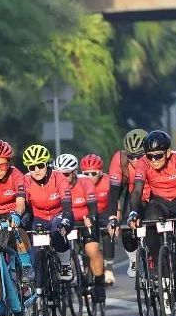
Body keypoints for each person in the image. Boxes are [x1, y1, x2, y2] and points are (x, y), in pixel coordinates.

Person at [127, 130, 176, 315]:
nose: (154, 160)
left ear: (168, 152)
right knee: (150, 216)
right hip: (159, 203)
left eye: (158, 156)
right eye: (150, 156)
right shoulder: (144, 163)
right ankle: (162, 267)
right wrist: (134, 212)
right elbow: (137, 191)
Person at [21, 143, 75, 291]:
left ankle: (65, 264)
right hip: (38, 217)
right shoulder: (25, 180)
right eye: (32, 167)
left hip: (59, 213)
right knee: (35, 249)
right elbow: (22, 204)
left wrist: (65, 220)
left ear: (47, 163)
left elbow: (66, 202)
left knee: (57, 231)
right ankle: (38, 286)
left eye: (40, 165)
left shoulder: (58, 177)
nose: (36, 170)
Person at [53, 153, 106, 304]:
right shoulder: (56, 184)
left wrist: (91, 217)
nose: (63, 177)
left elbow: (93, 206)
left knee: (92, 250)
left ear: (75, 172)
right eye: (60, 174)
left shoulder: (85, 182)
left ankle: (99, 283)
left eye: (67, 174)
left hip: (84, 219)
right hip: (65, 220)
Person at [109, 129, 148, 276]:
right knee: (127, 229)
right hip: (132, 194)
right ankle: (133, 260)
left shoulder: (154, 158)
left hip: (153, 193)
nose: (136, 160)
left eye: (140, 155)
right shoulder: (120, 159)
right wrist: (112, 217)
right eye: (131, 156)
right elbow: (114, 192)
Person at [79, 153, 117, 285]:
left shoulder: (108, 181)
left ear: (101, 172)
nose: (89, 178)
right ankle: (83, 264)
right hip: (86, 214)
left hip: (104, 212)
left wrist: (115, 220)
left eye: (93, 174)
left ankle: (108, 267)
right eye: (86, 174)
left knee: (108, 232)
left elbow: (115, 203)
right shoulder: (80, 183)